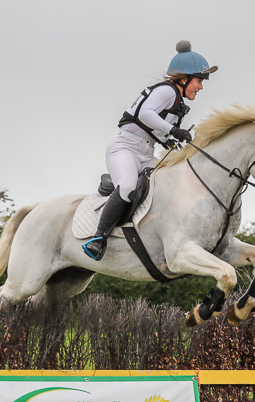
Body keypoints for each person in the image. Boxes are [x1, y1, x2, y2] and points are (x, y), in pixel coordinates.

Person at [82, 40, 217, 261]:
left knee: (172, 183)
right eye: (199, 81)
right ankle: (98, 239)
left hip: (146, 154)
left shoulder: (177, 102)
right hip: (124, 148)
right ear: (183, 79)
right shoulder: (167, 90)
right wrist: (174, 129)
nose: (201, 87)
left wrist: (169, 140)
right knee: (127, 186)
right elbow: (145, 114)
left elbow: (155, 129)